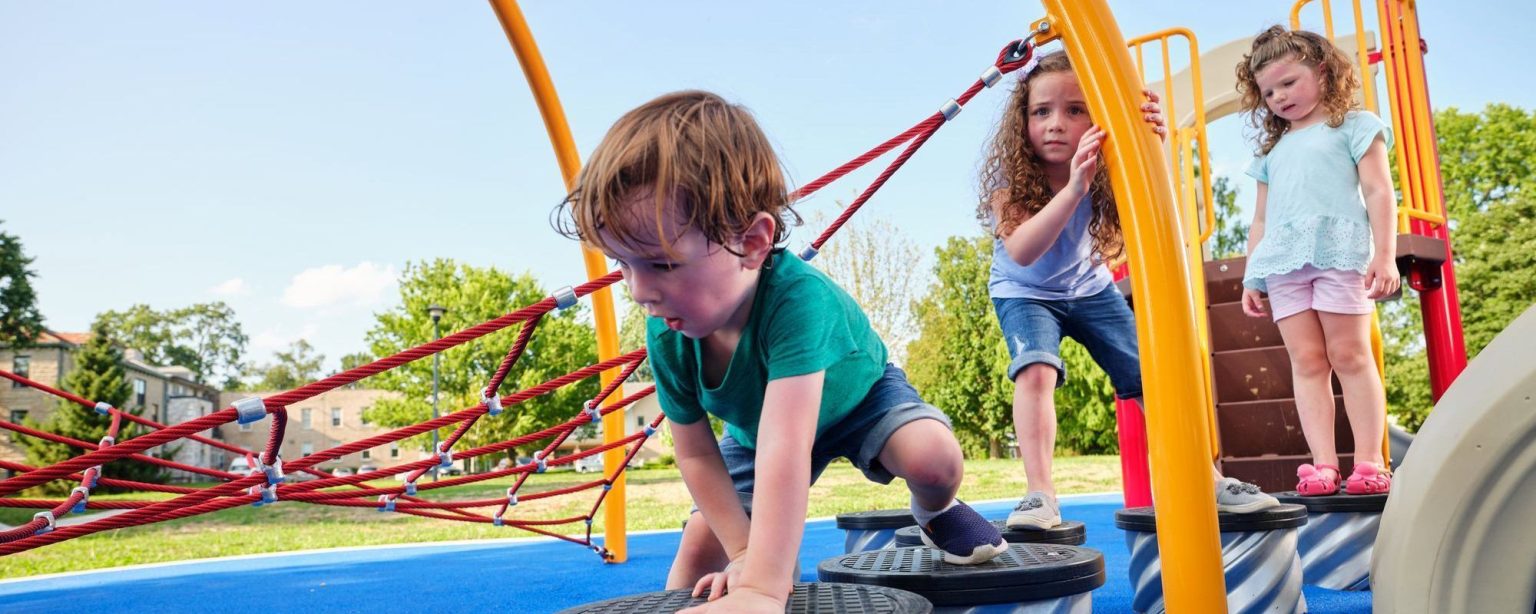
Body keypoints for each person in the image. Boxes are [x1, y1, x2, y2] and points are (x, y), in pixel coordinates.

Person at [557, 90, 1006, 613]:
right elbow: (698, 452)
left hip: (859, 401)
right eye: (623, 265)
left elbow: (786, 448)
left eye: (660, 264)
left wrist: (763, 587)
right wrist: (745, 549)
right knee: (699, 554)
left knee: (934, 460)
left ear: (750, 243)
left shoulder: (797, 300)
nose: (638, 290)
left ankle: (935, 512)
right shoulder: (667, 331)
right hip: (755, 434)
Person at [979, 50, 1281, 530]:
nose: (1056, 123)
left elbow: (1149, 208)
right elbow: (1022, 252)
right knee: (1035, 371)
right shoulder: (1010, 179)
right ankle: (1040, 495)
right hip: (1025, 291)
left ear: (1098, 116)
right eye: (1042, 111)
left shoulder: (1109, 164)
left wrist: (1148, 143)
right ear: (1023, 120)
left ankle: (1208, 479)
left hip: (1091, 288)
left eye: (1075, 110)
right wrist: (1074, 187)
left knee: (1152, 376)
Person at [1236, 26, 1398, 496]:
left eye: (1288, 83)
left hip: (1338, 252)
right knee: (1307, 361)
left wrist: (1384, 255)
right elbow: (1260, 220)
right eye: (1268, 92)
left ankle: (1369, 461)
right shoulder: (1272, 153)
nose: (1279, 97)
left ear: (1323, 71)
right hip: (1284, 265)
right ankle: (1323, 465)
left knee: (1349, 354)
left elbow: (1378, 191)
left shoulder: (1354, 125)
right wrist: (1253, 275)